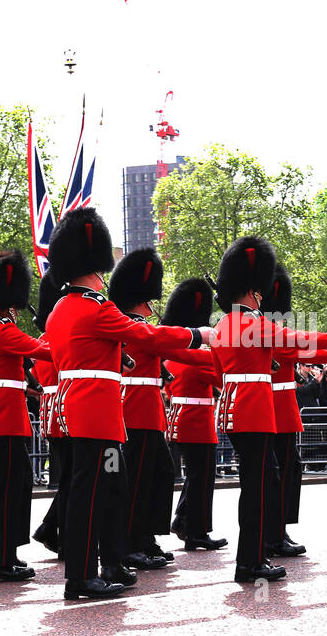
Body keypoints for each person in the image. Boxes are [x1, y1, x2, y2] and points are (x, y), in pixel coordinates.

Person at [46, 208, 211, 599]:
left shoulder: (61, 309)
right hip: (99, 415)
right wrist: (197, 334)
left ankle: (104, 566)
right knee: (94, 496)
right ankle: (83, 577)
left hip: (80, 411)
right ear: (95, 267)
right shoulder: (96, 307)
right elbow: (148, 338)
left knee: (100, 491)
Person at [211, 236, 327, 583]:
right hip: (253, 412)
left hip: (231, 409)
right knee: (258, 487)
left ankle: (252, 556)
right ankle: (250, 563)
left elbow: (216, 370)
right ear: (254, 291)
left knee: (260, 482)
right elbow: (296, 340)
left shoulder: (223, 325)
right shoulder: (254, 324)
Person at [0, 250, 54, 582]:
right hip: (3, 420)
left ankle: (5, 556)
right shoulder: (2, 331)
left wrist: (29, 388)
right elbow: (45, 350)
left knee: (12, 487)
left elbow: (4, 374)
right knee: (7, 490)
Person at [110, 247, 185, 568]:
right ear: (138, 299)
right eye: (148, 301)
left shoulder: (137, 325)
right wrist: (200, 336)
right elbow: (164, 341)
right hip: (136, 411)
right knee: (138, 479)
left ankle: (146, 535)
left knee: (161, 473)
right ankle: (129, 542)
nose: (152, 307)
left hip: (150, 411)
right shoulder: (132, 326)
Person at [260, 264, 327, 558]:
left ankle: (277, 531)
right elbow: (314, 349)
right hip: (276, 412)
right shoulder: (274, 336)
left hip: (279, 411)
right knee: (280, 474)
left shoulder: (270, 332)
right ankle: (274, 534)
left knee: (285, 471)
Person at [163, 278, 225, 552]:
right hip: (197, 420)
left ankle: (183, 520)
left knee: (194, 476)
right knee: (202, 478)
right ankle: (196, 531)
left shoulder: (171, 355)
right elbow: (222, 380)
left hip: (179, 418)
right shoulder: (199, 357)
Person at [29, 275, 68, 555]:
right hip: (64, 406)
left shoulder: (43, 339)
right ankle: (55, 529)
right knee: (75, 476)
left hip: (50, 408)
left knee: (70, 476)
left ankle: (53, 528)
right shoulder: (57, 339)